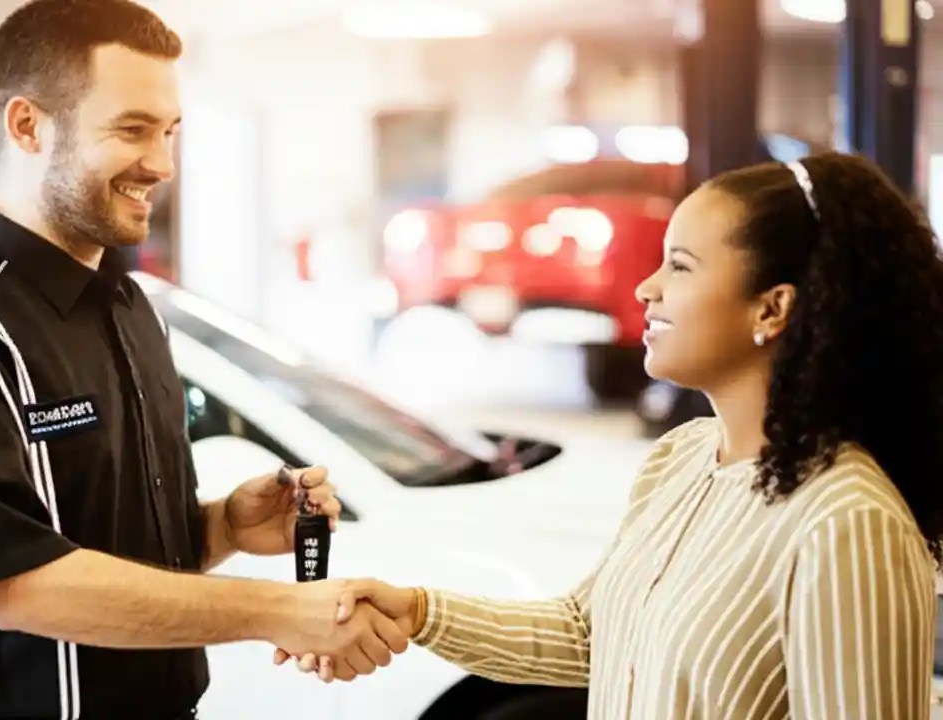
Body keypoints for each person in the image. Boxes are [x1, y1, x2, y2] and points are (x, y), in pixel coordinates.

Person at [0, 1, 407, 718]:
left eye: (170, 131)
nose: (163, 164)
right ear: (27, 126)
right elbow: (16, 587)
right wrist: (276, 611)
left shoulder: (132, 308)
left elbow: (124, 556)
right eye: (132, 129)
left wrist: (226, 528)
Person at [288, 151, 943, 718]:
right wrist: (419, 612)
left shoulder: (847, 521)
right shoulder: (683, 458)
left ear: (772, 308)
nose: (647, 287)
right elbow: (588, 634)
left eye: (680, 267)